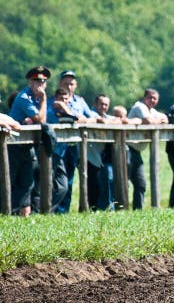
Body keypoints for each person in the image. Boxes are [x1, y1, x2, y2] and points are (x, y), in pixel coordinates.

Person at [49, 70, 100, 213]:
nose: (69, 87)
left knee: (70, 179)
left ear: (76, 85)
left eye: (71, 84)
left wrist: (78, 117)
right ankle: (52, 210)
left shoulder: (80, 101)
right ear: (60, 84)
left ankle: (63, 210)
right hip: (57, 145)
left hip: (73, 145)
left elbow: (92, 118)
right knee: (56, 179)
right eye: (66, 83)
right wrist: (77, 117)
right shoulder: (52, 101)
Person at [7, 66, 50, 216]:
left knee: (27, 182)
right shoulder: (24, 97)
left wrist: (39, 112)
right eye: (36, 80)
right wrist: (44, 100)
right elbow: (40, 119)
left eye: (43, 81)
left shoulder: (36, 100)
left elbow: (41, 120)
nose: (40, 84)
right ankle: (6, 212)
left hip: (27, 145)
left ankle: (23, 215)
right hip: (14, 144)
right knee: (10, 179)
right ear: (30, 82)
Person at [127, 88, 167, 209]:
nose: (152, 100)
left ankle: (137, 211)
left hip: (136, 151)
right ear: (144, 98)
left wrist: (158, 120)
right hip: (126, 148)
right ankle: (120, 210)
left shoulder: (152, 111)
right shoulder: (140, 106)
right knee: (124, 182)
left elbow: (165, 118)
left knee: (141, 184)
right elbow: (149, 121)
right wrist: (157, 121)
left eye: (155, 98)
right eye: (150, 97)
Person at [86, 94, 119, 210]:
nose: (103, 106)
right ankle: (92, 209)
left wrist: (110, 121)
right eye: (101, 104)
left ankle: (106, 208)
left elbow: (118, 121)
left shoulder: (106, 117)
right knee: (92, 185)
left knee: (105, 182)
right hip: (90, 156)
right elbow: (98, 120)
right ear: (95, 104)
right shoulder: (90, 114)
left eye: (106, 104)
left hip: (101, 156)